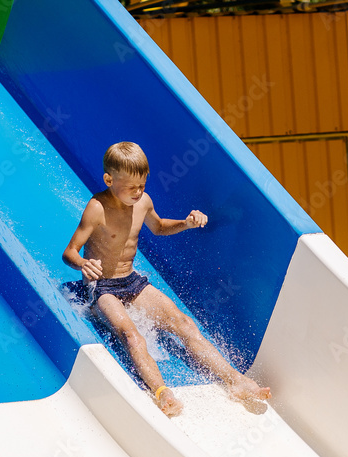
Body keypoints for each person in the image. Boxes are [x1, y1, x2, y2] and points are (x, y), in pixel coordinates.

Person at [62, 141, 271, 416]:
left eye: (142, 185)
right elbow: (69, 252)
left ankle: (236, 380)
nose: (138, 192)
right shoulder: (97, 208)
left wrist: (186, 223)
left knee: (184, 323)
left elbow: (159, 227)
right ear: (109, 179)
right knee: (132, 336)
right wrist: (83, 264)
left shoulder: (143, 202)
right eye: (131, 187)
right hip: (103, 287)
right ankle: (162, 393)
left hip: (132, 281)